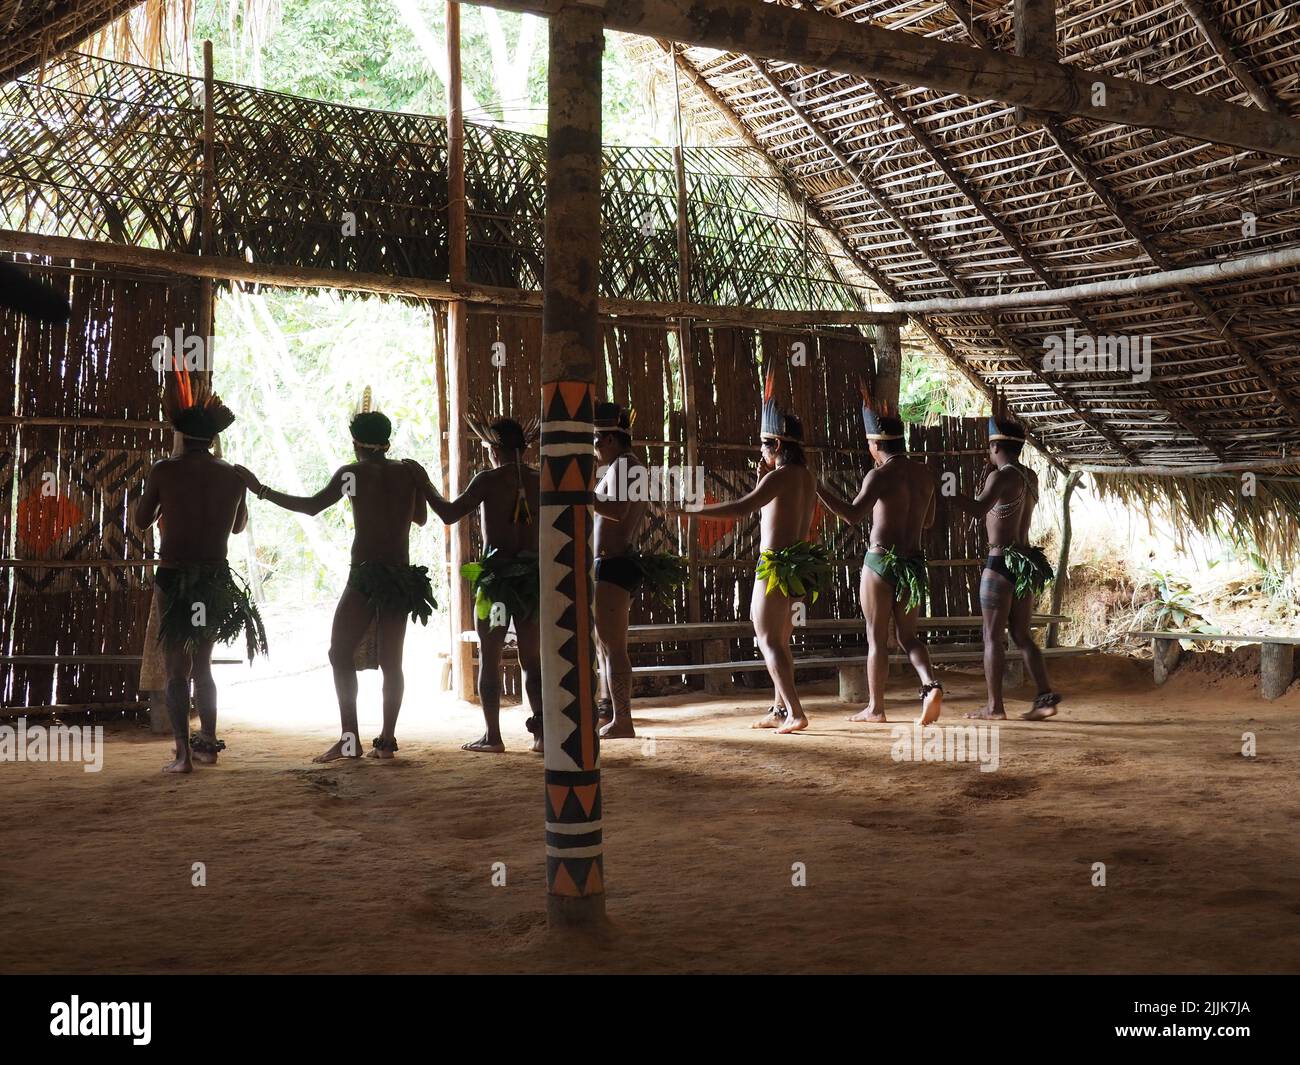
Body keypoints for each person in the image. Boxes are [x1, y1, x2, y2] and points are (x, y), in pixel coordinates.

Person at [236, 392, 434, 760]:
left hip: (364, 575)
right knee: (393, 663)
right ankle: (387, 742)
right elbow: (420, 519)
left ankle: (350, 740)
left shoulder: (352, 474)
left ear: (355, 443)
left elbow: (312, 507)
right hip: (400, 576)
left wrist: (261, 490)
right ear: (387, 442)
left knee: (339, 652)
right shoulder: (409, 472)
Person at [669, 372, 826, 734]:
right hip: (797, 565)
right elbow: (772, 511)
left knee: (768, 640)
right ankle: (777, 708)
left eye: (762, 445)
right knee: (780, 640)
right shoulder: (805, 475)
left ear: (775, 445)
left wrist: (690, 512)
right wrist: (762, 478)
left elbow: (740, 509)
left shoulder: (780, 476)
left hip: (774, 565)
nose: (759, 451)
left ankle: (796, 712)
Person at [134, 368, 266, 774]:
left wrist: (166, 510)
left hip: (175, 577)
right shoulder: (232, 475)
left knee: (177, 669)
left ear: (179, 434)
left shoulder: (164, 470)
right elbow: (238, 526)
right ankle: (207, 744)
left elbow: (141, 520)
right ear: (212, 438)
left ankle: (182, 755)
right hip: (213, 579)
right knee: (203, 666)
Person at [407, 409, 542, 753]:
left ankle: (493, 737)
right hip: (532, 582)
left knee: (492, 654)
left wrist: (424, 483)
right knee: (532, 659)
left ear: (494, 449)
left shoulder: (487, 480)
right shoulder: (541, 480)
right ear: (523, 449)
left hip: (496, 583)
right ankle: (541, 736)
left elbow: (449, 514)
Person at [817, 385, 943, 724]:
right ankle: (930, 685)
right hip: (912, 563)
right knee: (909, 636)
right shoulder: (924, 475)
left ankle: (876, 708)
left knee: (876, 637)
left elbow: (853, 514)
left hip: (880, 561)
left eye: (869, 444)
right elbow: (928, 521)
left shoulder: (880, 474)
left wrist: (818, 489)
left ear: (876, 445)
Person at [950, 402, 1061, 721]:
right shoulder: (1030, 475)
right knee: (1023, 636)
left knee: (991, 636)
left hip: (1000, 563)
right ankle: (1045, 699)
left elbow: (976, 510)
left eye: (989, 446)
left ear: (996, 445)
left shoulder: (1001, 477)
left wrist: (951, 495)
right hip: (1024, 563)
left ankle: (994, 706)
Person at [591, 402, 649, 739]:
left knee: (614, 647)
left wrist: (581, 495)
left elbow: (617, 509)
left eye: (598, 440)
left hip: (616, 564)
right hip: (610, 564)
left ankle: (624, 720)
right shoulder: (624, 466)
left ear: (612, 439)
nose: (596, 448)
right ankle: (614, 714)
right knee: (607, 646)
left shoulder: (627, 466)